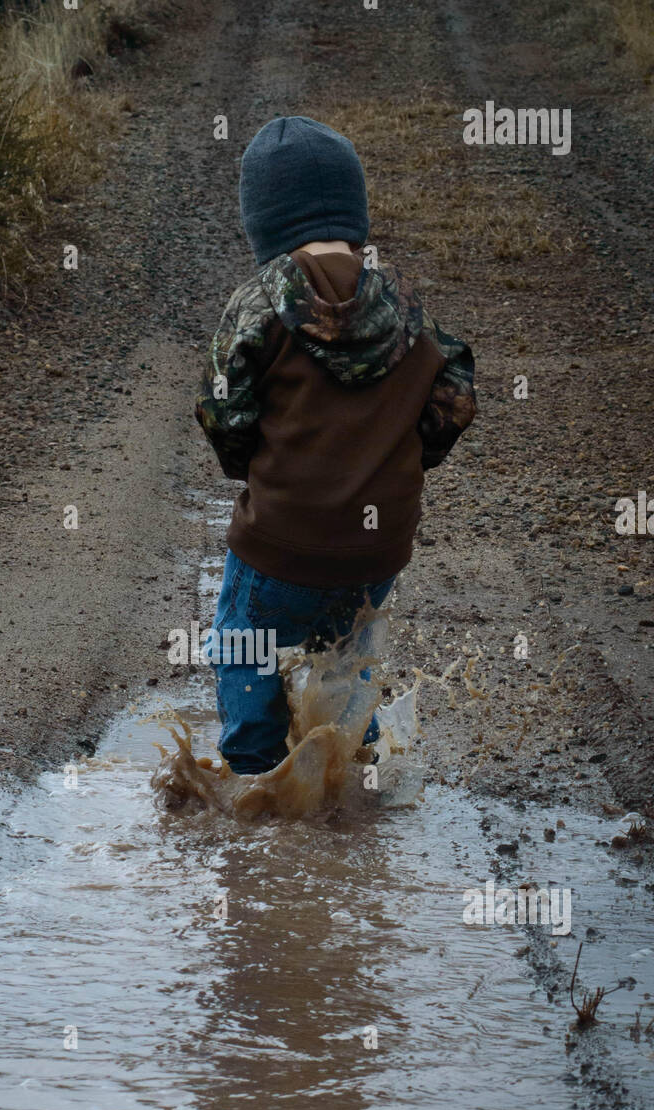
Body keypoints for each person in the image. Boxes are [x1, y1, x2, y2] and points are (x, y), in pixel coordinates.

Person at [196, 115, 477, 775]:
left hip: (283, 539)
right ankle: (357, 766)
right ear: (355, 210)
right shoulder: (401, 299)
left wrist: (252, 466)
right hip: (378, 546)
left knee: (244, 642)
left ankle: (255, 772)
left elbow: (221, 410)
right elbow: (456, 396)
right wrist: (407, 458)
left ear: (261, 221)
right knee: (349, 652)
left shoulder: (258, 303)